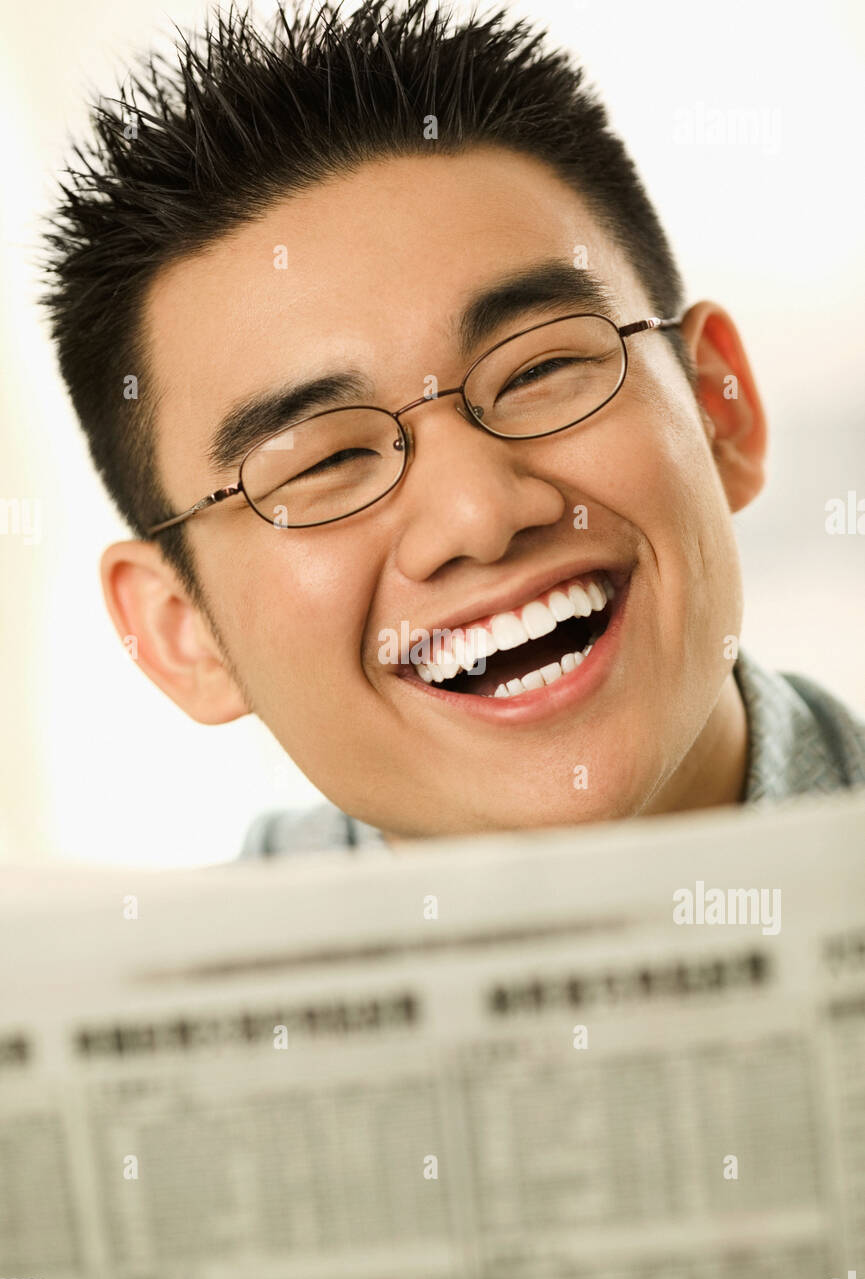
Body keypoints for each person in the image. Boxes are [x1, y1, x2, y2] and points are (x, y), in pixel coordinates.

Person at [41, 0, 865, 859]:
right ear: (182, 631)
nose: (478, 513)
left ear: (720, 409)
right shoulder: (130, 989)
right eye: (323, 461)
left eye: (539, 372)